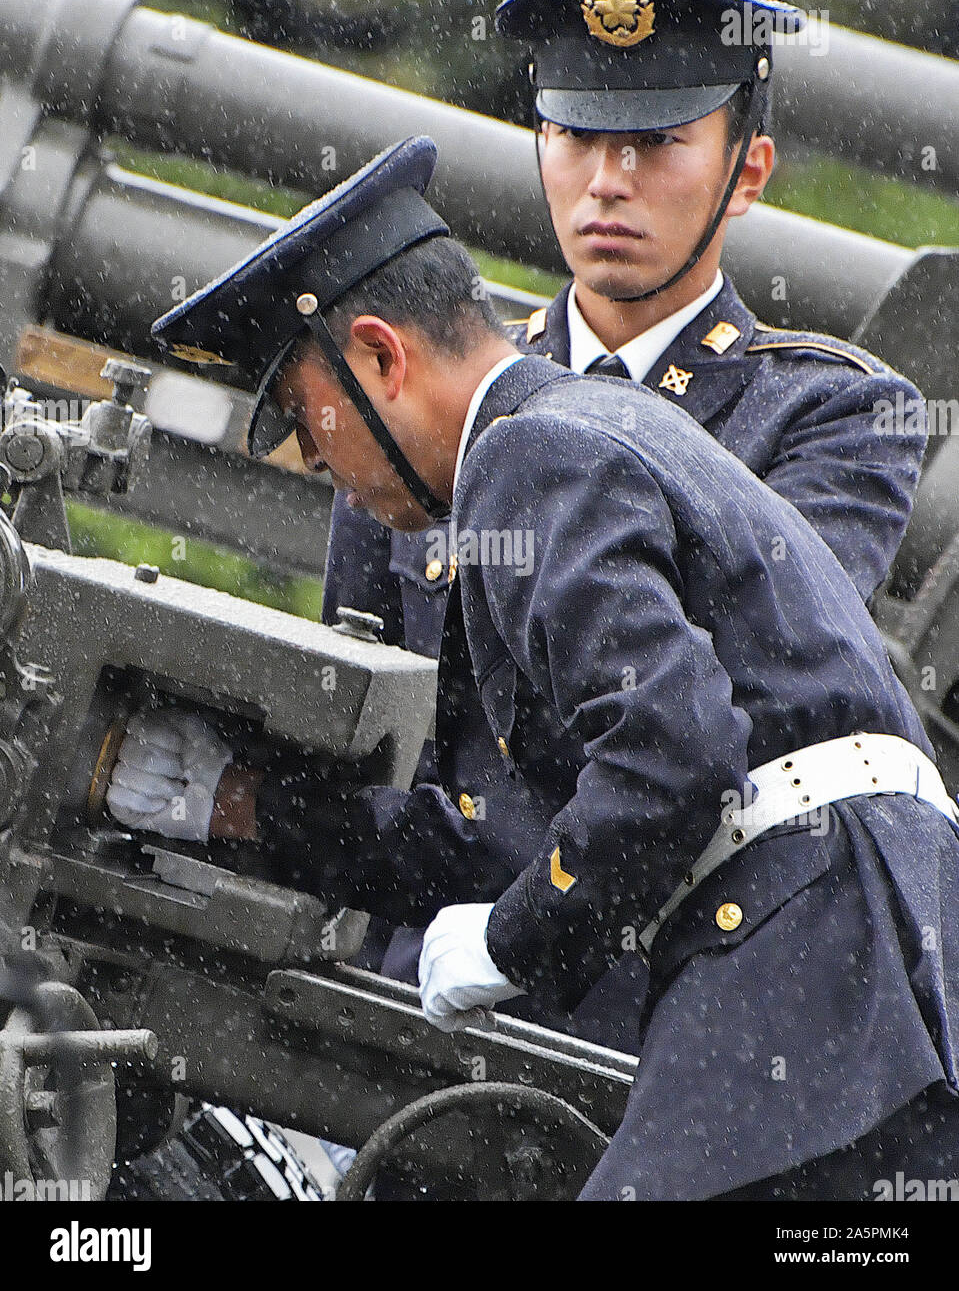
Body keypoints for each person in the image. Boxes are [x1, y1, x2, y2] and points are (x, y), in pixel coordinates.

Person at [109, 137, 959, 1200]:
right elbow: (560, 795)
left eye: (306, 418)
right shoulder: (587, 428)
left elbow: (674, 750)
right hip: (858, 956)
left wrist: (515, 937)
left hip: (810, 951)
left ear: (381, 356)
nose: (315, 462)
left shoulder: (526, 452)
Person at [321, 0, 928, 986]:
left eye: (653, 143)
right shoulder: (432, 403)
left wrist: (528, 930)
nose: (607, 180)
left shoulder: (831, 414)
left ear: (746, 170)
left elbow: (734, 711)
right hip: (414, 973)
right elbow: (352, 709)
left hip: (655, 1002)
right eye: (575, 136)